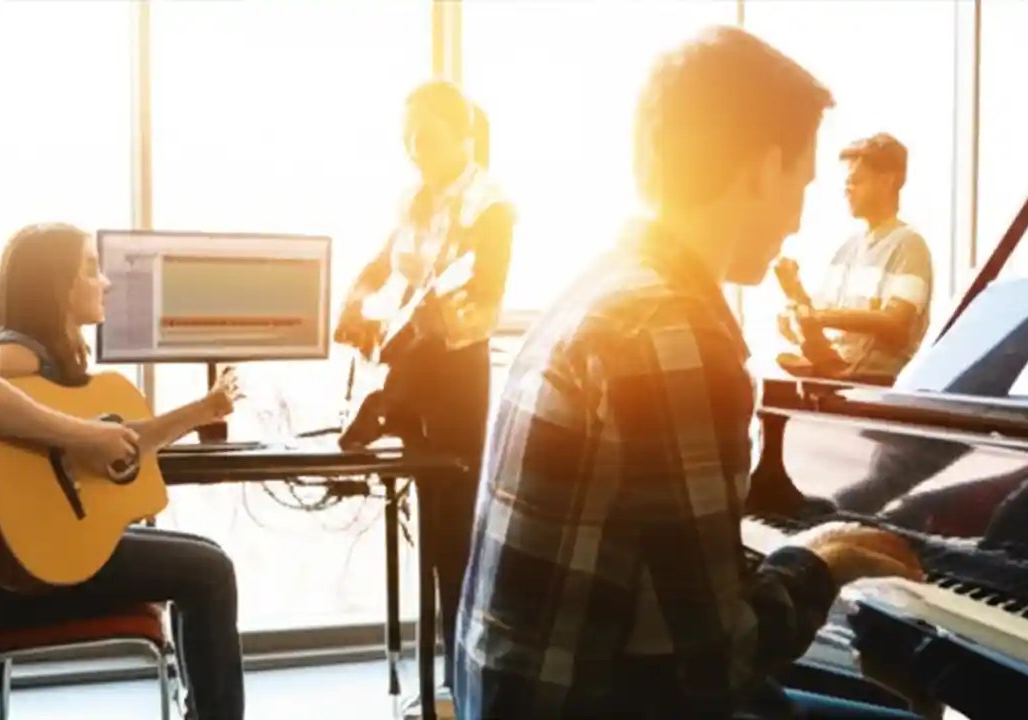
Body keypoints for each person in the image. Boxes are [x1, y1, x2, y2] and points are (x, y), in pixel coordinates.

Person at [455, 27, 931, 720]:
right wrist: (822, 560)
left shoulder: (602, 288)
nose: (798, 219)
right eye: (800, 181)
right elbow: (719, 662)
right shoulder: (676, 331)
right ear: (762, 168)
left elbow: (665, 588)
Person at [0, 222, 244, 720]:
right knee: (211, 573)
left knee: (209, 559)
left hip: (39, 559)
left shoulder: (51, 367)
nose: (105, 282)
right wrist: (83, 436)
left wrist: (201, 412)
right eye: (90, 269)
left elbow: (117, 446)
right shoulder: (16, 349)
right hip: (13, 581)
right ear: (55, 284)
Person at [334, 79, 515, 689]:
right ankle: (443, 674)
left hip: (456, 367)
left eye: (427, 138)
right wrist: (356, 303)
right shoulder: (415, 199)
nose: (415, 150)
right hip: (410, 357)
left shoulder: (490, 205)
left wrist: (431, 316)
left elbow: (482, 292)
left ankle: (464, 676)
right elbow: (384, 264)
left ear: (464, 135)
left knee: (454, 526)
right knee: (431, 524)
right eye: (408, 139)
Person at [778, 132, 933, 381]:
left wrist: (819, 317)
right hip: (837, 389)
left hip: (876, 397)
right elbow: (822, 321)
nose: (847, 190)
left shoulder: (908, 245)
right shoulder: (846, 251)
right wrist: (795, 298)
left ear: (887, 182)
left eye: (856, 181)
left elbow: (896, 324)